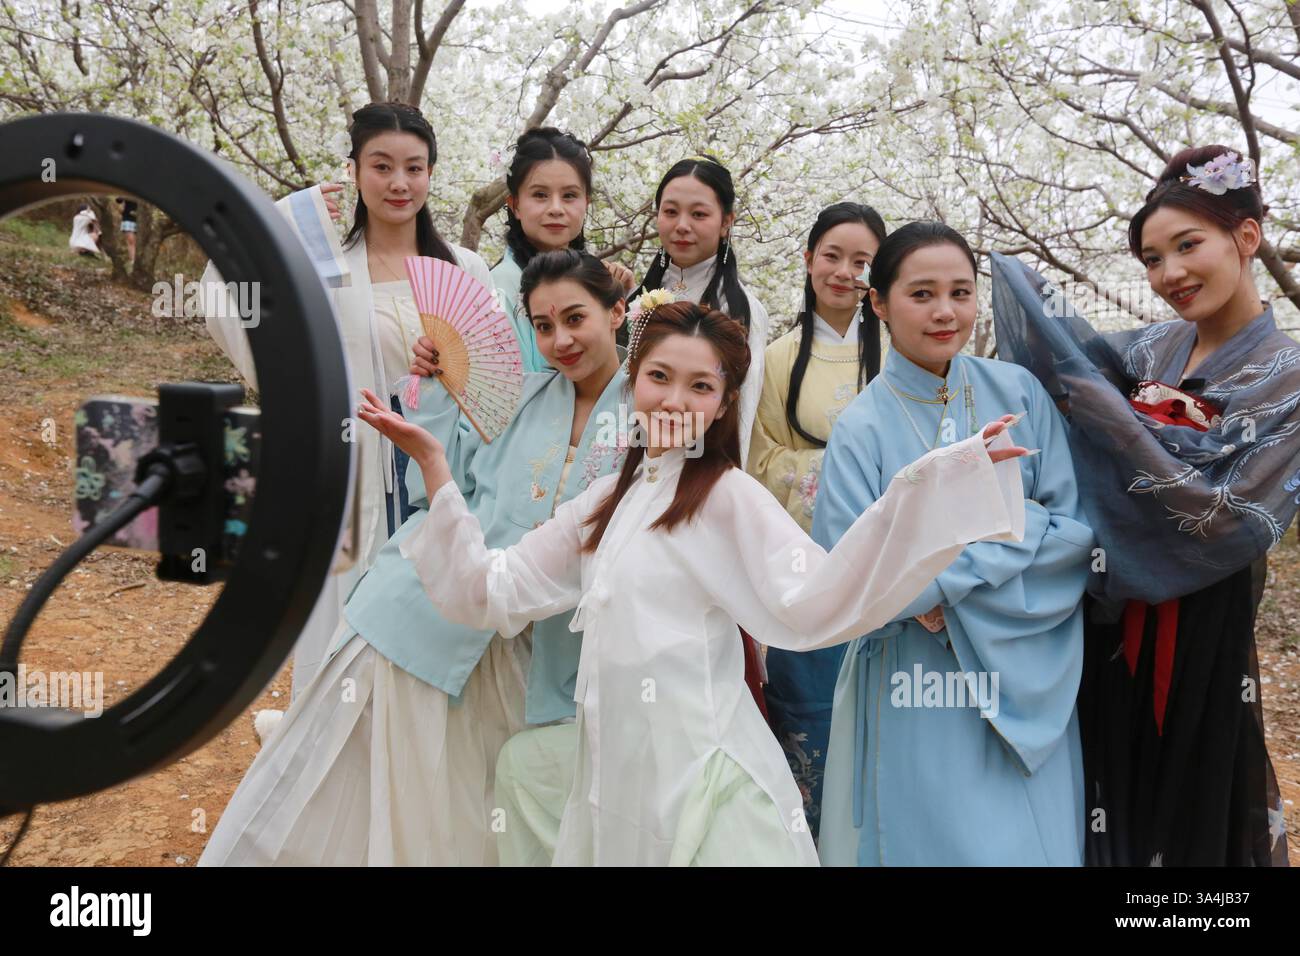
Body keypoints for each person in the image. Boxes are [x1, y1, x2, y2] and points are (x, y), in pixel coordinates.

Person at [363, 299, 1034, 865]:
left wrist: (942, 481)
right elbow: (492, 591)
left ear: (722, 406)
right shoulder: (603, 501)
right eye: (659, 376)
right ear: (634, 384)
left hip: (709, 782)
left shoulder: (726, 498)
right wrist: (434, 467)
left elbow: (818, 596)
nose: (675, 400)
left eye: (701, 387)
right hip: (618, 777)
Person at [198, 250, 630, 866]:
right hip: (437, 606)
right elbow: (443, 469)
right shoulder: (517, 398)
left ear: (616, 313)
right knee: (361, 776)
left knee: (489, 802)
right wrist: (432, 384)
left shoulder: (649, 412)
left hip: (547, 642)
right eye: (542, 325)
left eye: (575, 318)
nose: (559, 339)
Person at [991, 144, 1294, 866]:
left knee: (1190, 806)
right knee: (1102, 787)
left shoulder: (1289, 378)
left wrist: (1115, 422)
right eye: (1153, 260)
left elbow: (1226, 517)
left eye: (1188, 246)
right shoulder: (1150, 349)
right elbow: (1062, 364)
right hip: (1104, 606)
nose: (1170, 276)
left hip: (1199, 616)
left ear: (1246, 238)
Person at [814, 221, 1093, 865]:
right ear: (878, 303)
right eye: (921, 294)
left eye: (961, 292)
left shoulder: (1019, 392)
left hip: (1025, 662)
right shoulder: (860, 427)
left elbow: (1071, 530)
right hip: (916, 672)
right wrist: (1008, 531)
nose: (945, 312)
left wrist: (944, 580)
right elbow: (848, 569)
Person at [201, 101, 492, 698]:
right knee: (336, 646)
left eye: (414, 167)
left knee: (424, 651)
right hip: (349, 472)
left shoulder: (465, 269)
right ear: (355, 171)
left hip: (438, 479)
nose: (399, 183)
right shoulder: (327, 269)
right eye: (381, 166)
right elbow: (222, 289)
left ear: (432, 174)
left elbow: (490, 390)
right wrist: (286, 219)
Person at [748, 201, 886, 831]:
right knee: (810, 713)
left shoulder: (900, 350)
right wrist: (844, 477)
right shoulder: (776, 358)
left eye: (863, 261)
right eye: (831, 256)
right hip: (806, 563)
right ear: (807, 261)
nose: (844, 272)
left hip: (886, 569)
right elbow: (759, 458)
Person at [627, 155, 771, 467]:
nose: (682, 226)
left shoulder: (742, 309)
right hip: (625, 457)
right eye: (670, 212)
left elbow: (741, 412)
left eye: (699, 214)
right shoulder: (637, 297)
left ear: (726, 222)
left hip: (694, 469)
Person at [492, 128, 634, 371]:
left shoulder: (597, 276)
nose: (556, 208)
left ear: (586, 202)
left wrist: (614, 298)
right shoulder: (498, 290)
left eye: (569, 195)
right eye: (540, 195)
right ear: (515, 205)